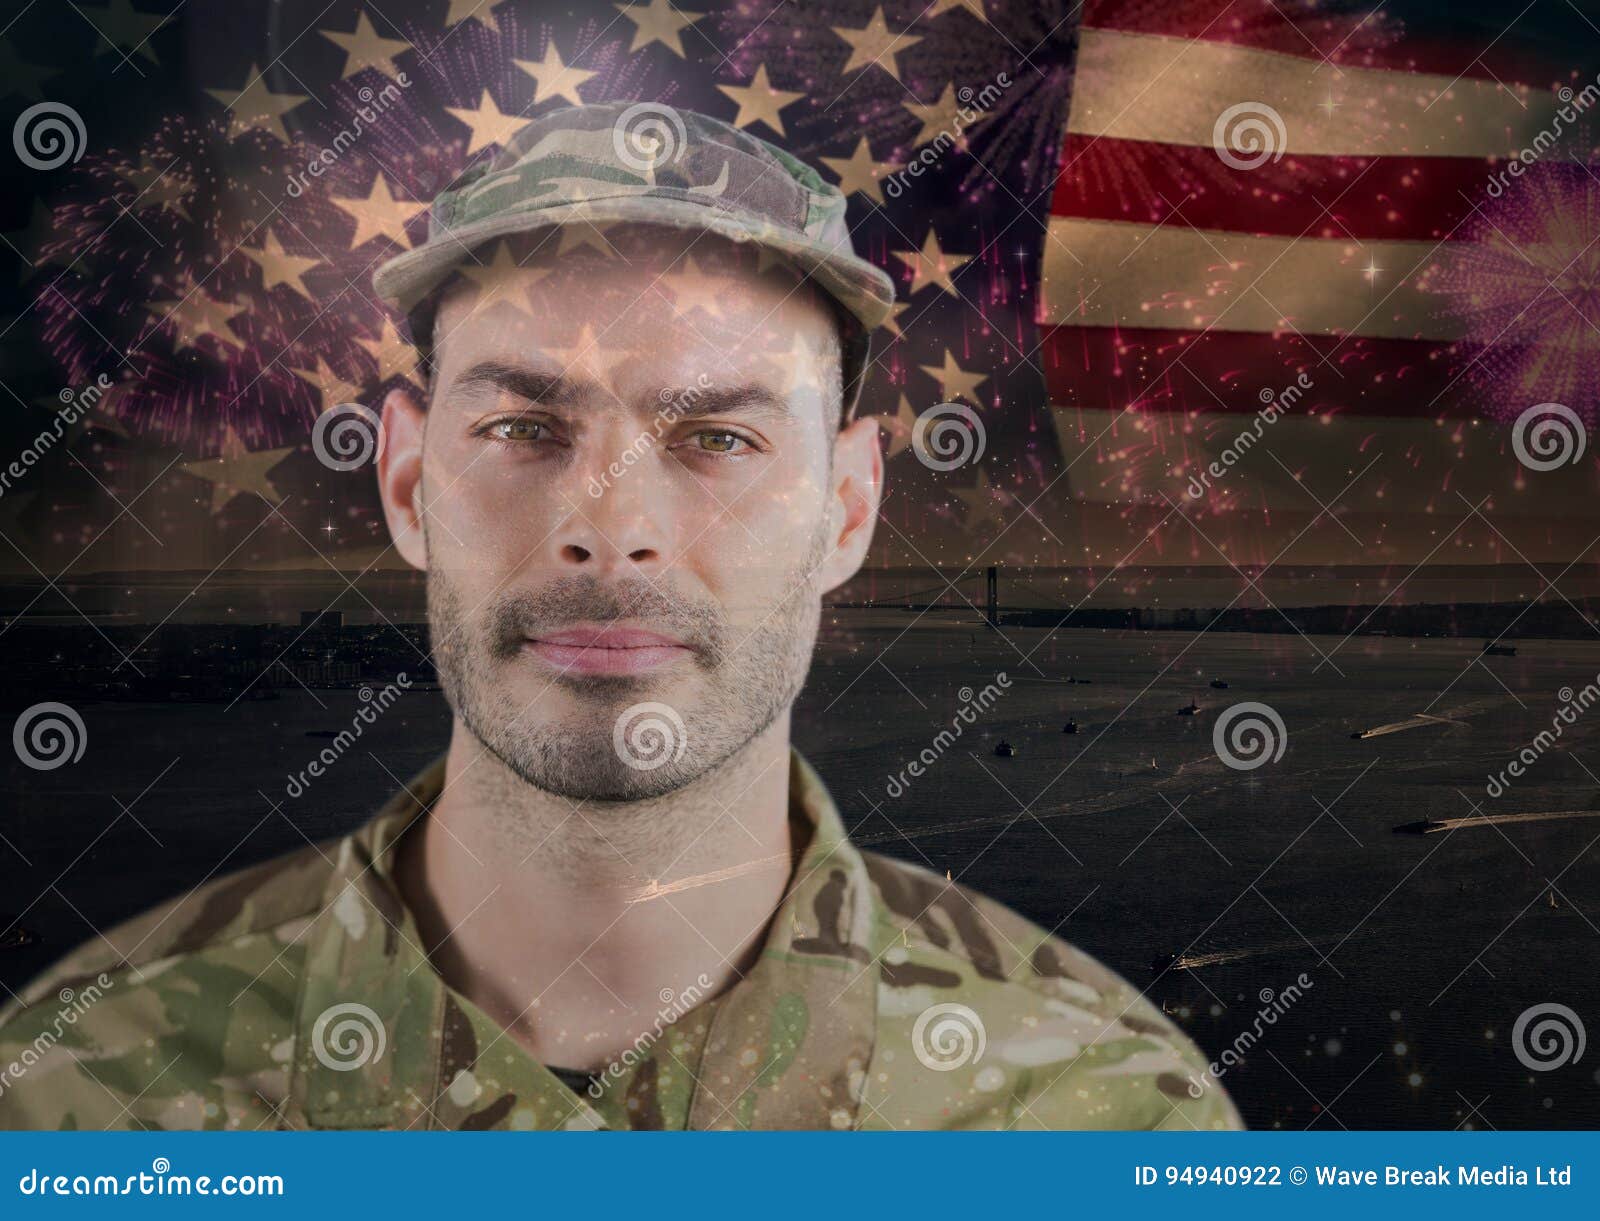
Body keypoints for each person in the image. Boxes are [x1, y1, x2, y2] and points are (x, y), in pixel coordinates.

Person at [0, 103, 1238, 1132]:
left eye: (718, 439)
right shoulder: (76, 1089)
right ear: (405, 482)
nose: (611, 527)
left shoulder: (1100, 1110)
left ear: (849, 508)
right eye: (524, 430)